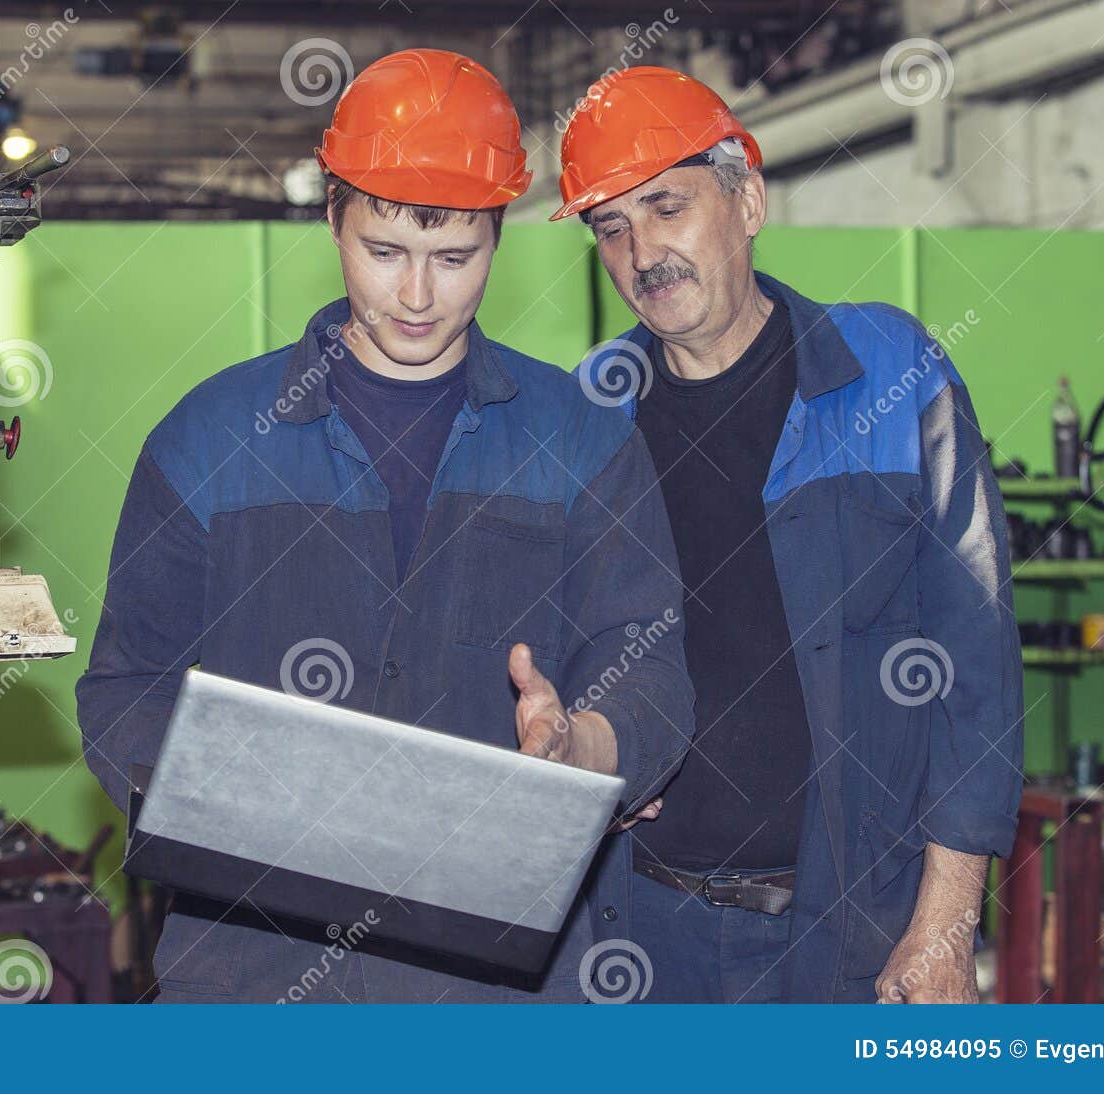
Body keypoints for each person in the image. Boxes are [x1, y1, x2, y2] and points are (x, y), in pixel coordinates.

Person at [76, 49, 693, 1003]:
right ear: (332, 219)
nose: (417, 297)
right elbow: (125, 689)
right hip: (255, 986)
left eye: (454, 259)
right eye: (385, 251)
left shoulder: (580, 440)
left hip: (505, 999)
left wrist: (582, 752)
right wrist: (248, 807)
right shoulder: (207, 439)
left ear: (499, 237)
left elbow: (653, 672)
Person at [556, 67, 1023, 1004]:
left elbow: (977, 661)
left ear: (748, 200)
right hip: (636, 934)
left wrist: (944, 925)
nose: (644, 250)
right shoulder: (584, 414)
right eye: (612, 227)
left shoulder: (891, 373)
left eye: (667, 207)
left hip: (850, 935)